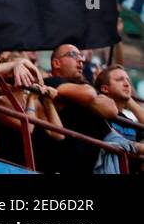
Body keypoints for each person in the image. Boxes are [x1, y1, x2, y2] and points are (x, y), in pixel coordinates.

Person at [46, 43, 119, 174]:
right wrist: (90, 97)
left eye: (81, 55)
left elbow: (111, 109)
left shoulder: (84, 86)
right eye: (73, 55)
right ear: (57, 63)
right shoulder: (51, 82)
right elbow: (89, 94)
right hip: (62, 165)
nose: (81, 59)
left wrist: (84, 96)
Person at [93, 64, 144, 172]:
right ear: (105, 88)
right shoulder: (98, 114)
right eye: (120, 80)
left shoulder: (129, 121)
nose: (127, 84)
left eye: (128, 81)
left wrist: (129, 99)